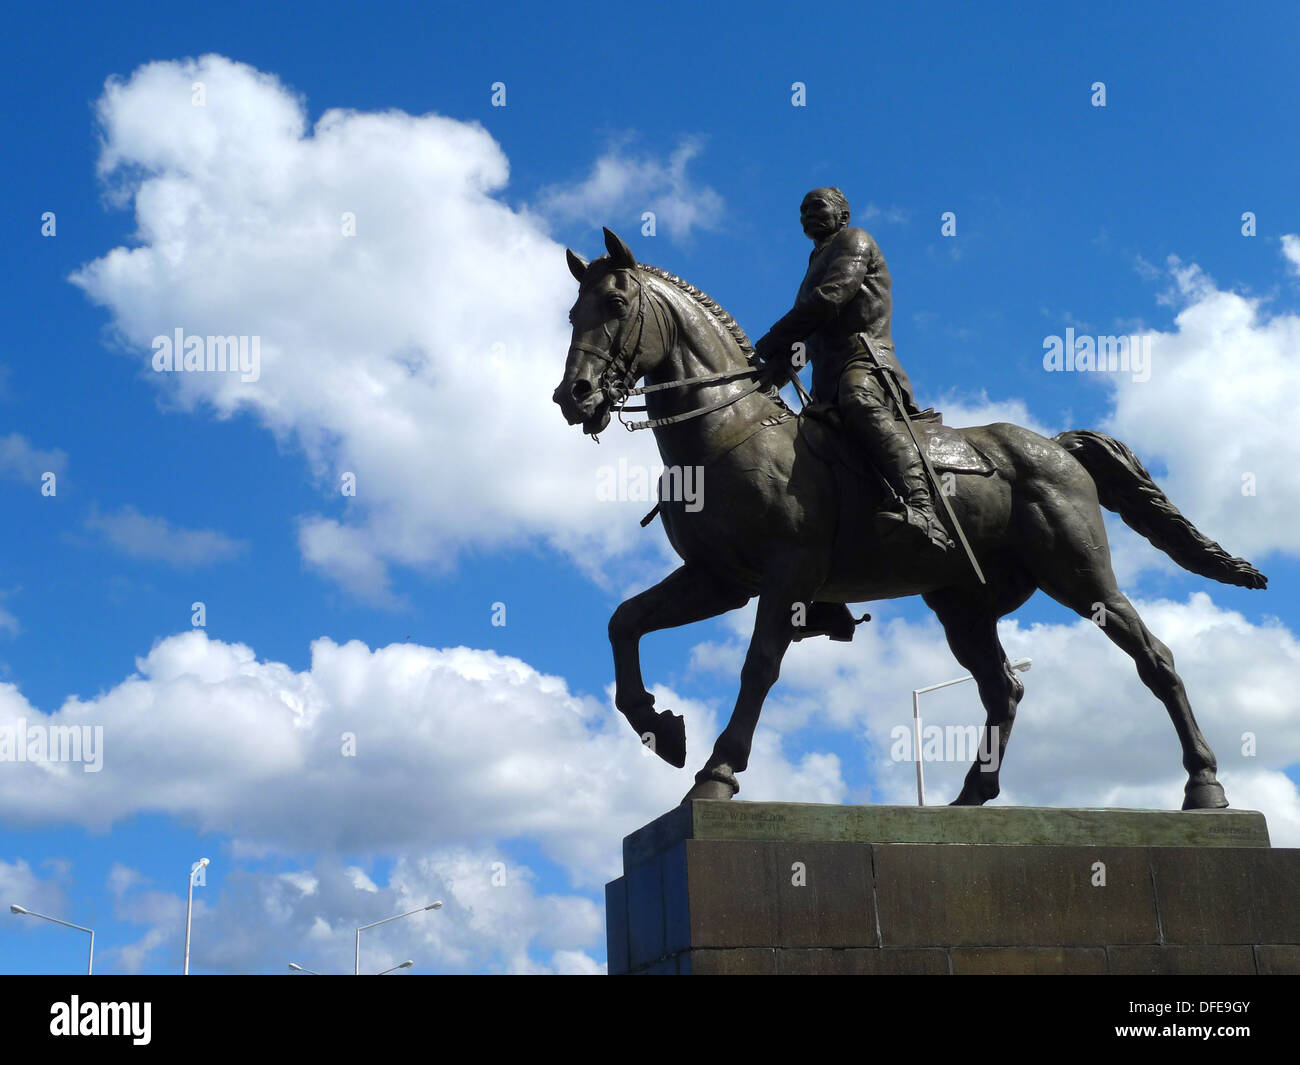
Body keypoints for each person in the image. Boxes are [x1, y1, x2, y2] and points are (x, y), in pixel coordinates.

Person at [754, 187, 952, 552]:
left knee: (859, 401)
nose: (806, 215)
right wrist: (769, 377)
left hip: (867, 362)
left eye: (816, 207)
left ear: (843, 215)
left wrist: (772, 338)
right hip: (826, 384)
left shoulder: (854, 240)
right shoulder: (815, 261)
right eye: (802, 211)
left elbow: (830, 299)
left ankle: (923, 507)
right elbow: (810, 335)